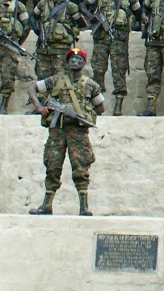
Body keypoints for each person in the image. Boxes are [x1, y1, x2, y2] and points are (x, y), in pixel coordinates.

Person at [27, 48, 106, 216]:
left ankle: (84, 207)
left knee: (81, 168)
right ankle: (46, 205)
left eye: (78, 59)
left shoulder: (91, 85)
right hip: (57, 131)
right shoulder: (55, 80)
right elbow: (32, 88)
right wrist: (39, 107)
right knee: (52, 166)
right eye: (71, 58)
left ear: (84, 64)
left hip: (78, 132)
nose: (75, 61)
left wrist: (84, 114)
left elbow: (101, 107)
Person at [31, 0, 81, 84]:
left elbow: (80, 23)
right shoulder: (43, 4)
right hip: (44, 48)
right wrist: (38, 31)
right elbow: (33, 17)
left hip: (61, 49)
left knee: (61, 79)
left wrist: (71, 32)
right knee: (42, 79)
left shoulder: (71, 6)